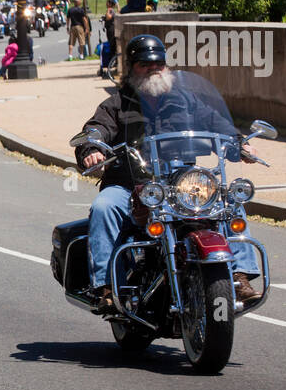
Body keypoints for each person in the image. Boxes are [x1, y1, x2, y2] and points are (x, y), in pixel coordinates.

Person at [74, 34, 262, 312]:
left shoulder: (186, 100)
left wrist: (238, 143)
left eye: (159, 63)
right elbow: (95, 129)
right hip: (131, 183)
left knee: (227, 201)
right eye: (145, 64)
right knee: (104, 206)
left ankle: (238, 276)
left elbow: (216, 123)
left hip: (180, 181)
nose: (153, 69)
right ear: (132, 68)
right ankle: (106, 287)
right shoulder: (116, 105)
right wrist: (92, 148)